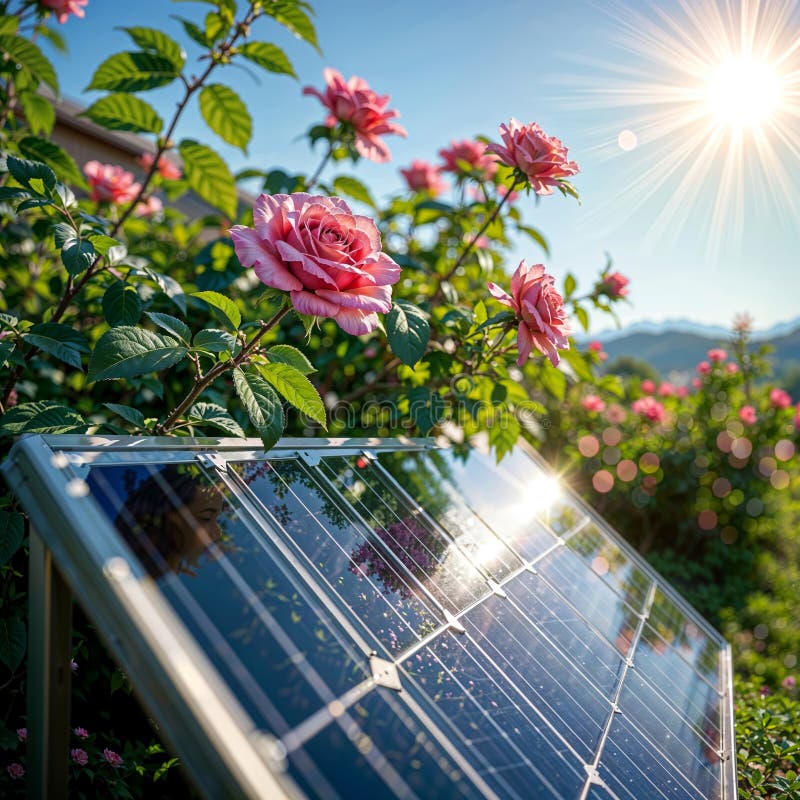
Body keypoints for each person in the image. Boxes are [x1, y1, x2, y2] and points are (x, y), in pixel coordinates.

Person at [112, 465, 225, 578]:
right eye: (206, 518)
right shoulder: (129, 571)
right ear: (172, 518)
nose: (217, 533)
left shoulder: (171, 578)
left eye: (216, 520)